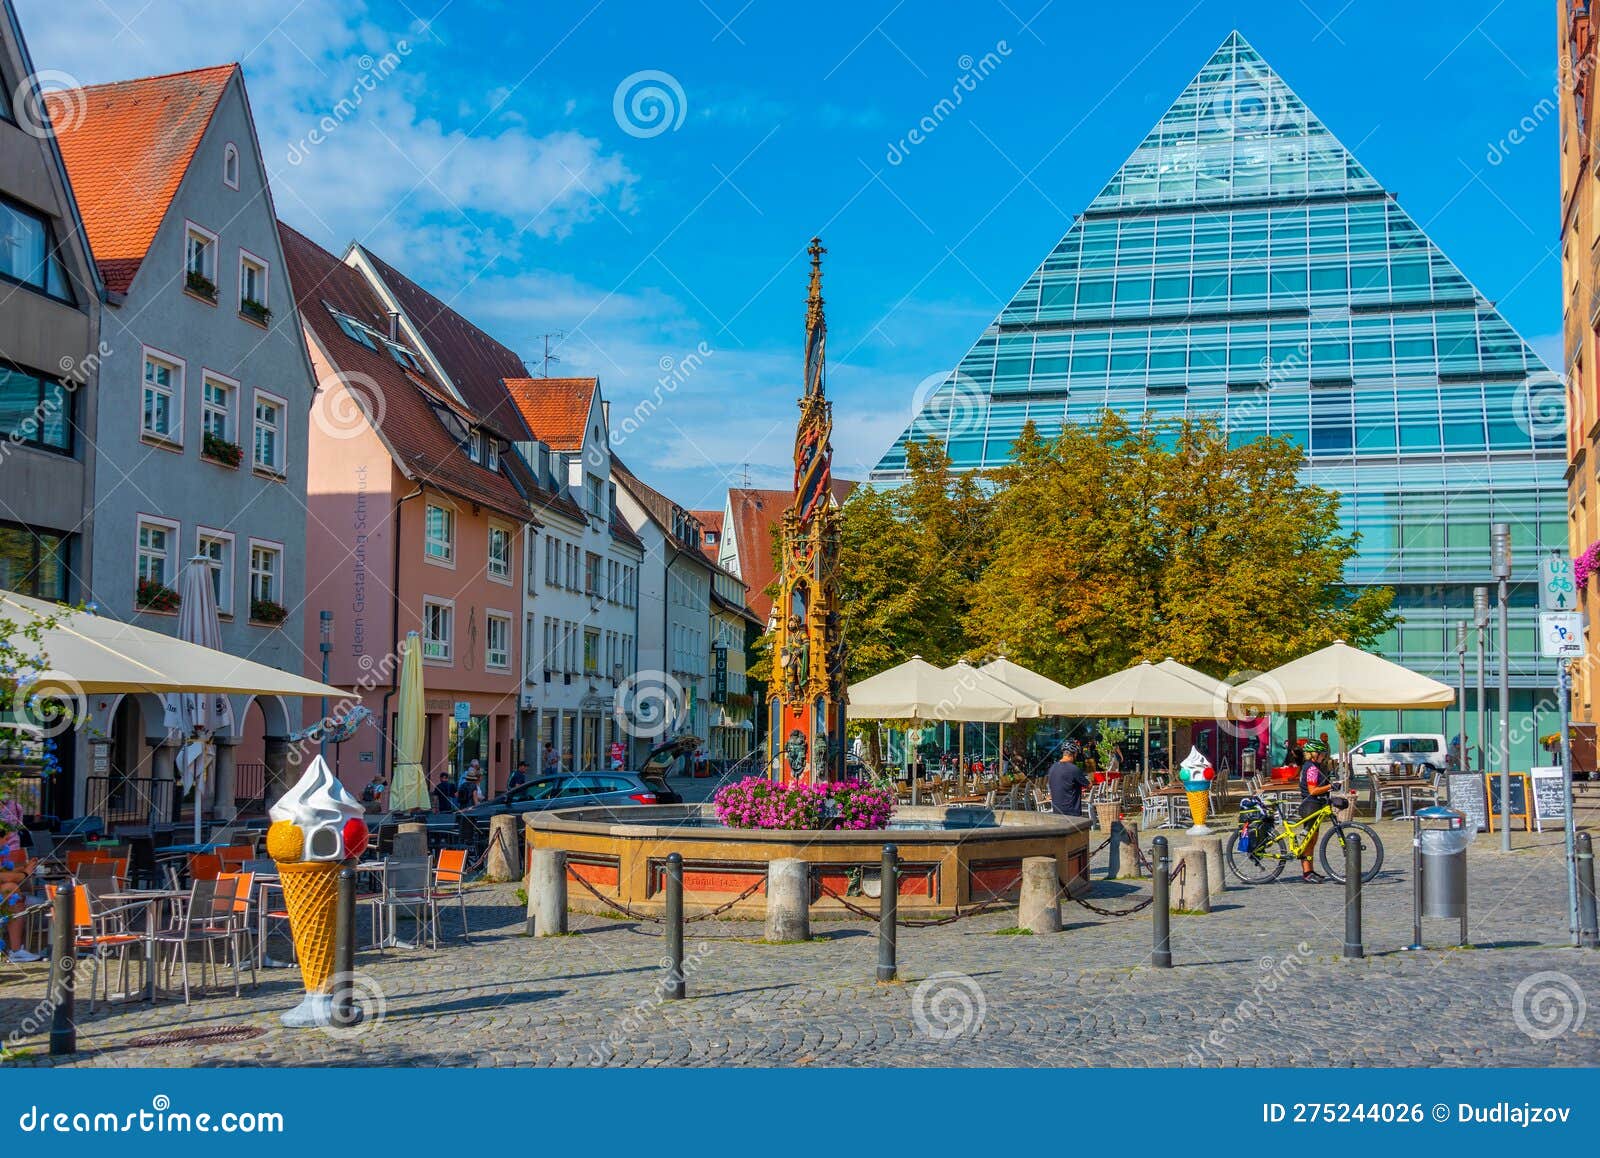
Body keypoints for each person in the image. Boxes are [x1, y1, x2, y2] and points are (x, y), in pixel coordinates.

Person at [1297, 738, 1335, 883]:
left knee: (1312, 841)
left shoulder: (1314, 766)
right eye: (1321, 753)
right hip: (1310, 806)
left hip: (1315, 805)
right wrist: (1330, 786)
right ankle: (1307, 872)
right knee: (1309, 841)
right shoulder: (1312, 768)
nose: (1324, 756)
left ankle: (1310, 870)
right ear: (1314, 754)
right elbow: (1313, 790)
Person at [1047, 740, 1092, 818]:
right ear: (1074, 753)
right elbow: (1089, 786)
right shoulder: (1074, 769)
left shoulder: (1052, 768)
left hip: (1056, 811)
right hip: (1072, 813)